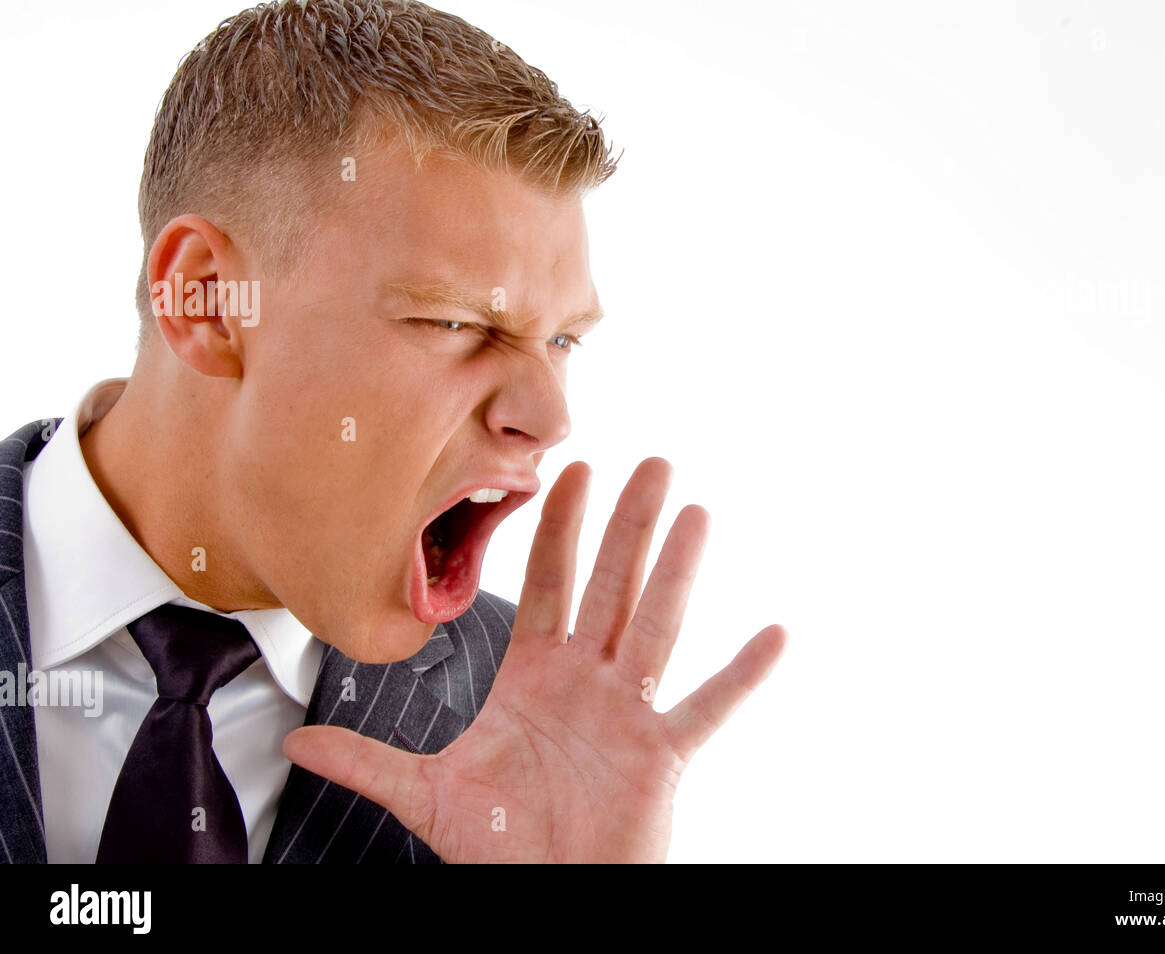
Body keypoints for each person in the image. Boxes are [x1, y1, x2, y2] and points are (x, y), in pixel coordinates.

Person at [0, 0, 785, 864]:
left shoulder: (532, 727)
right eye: (453, 322)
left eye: (563, 339)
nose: (550, 418)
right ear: (209, 301)